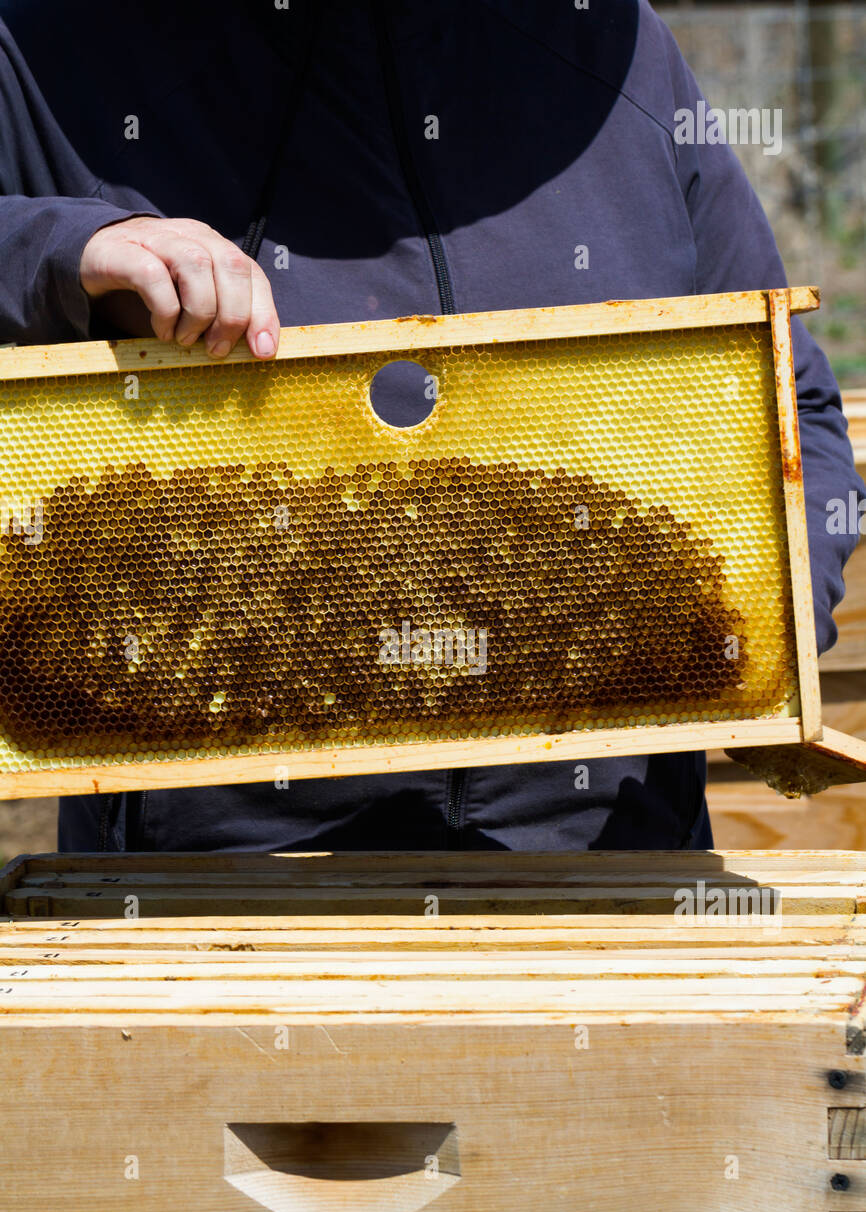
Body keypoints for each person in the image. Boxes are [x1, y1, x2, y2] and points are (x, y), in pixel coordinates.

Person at [0, 0, 860, 853]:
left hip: (604, 859)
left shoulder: (608, 45)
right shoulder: (49, 47)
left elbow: (794, 406)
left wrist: (748, 634)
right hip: (213, 894)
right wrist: (60, 250)